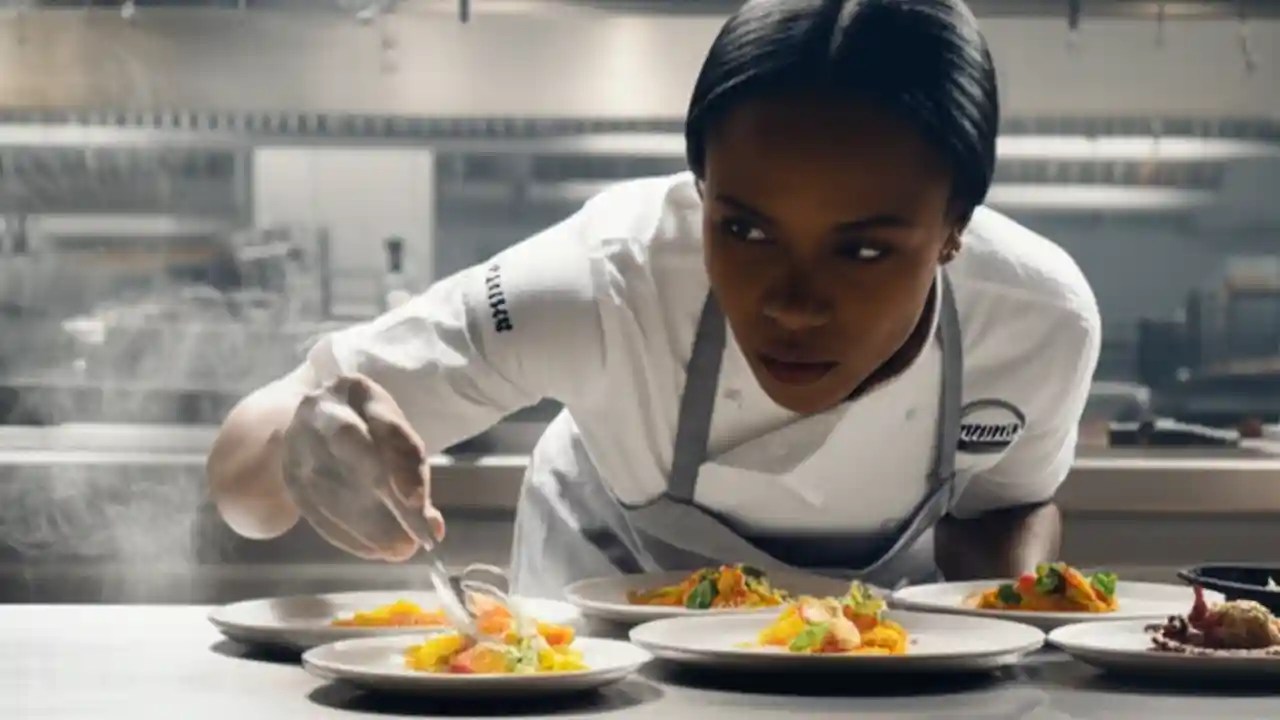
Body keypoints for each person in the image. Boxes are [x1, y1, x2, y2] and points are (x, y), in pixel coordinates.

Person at [207, 0, 1100, 599]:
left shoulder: (1039, 322)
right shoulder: (601, 285)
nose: (794, 305)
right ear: (700, 192)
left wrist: (1026, 600)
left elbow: (1003, 510)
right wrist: (297, 450)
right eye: (744, 230)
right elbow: (243, 480)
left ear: (954, 230)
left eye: (862, 250)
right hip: (597, 661)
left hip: (869, 668)